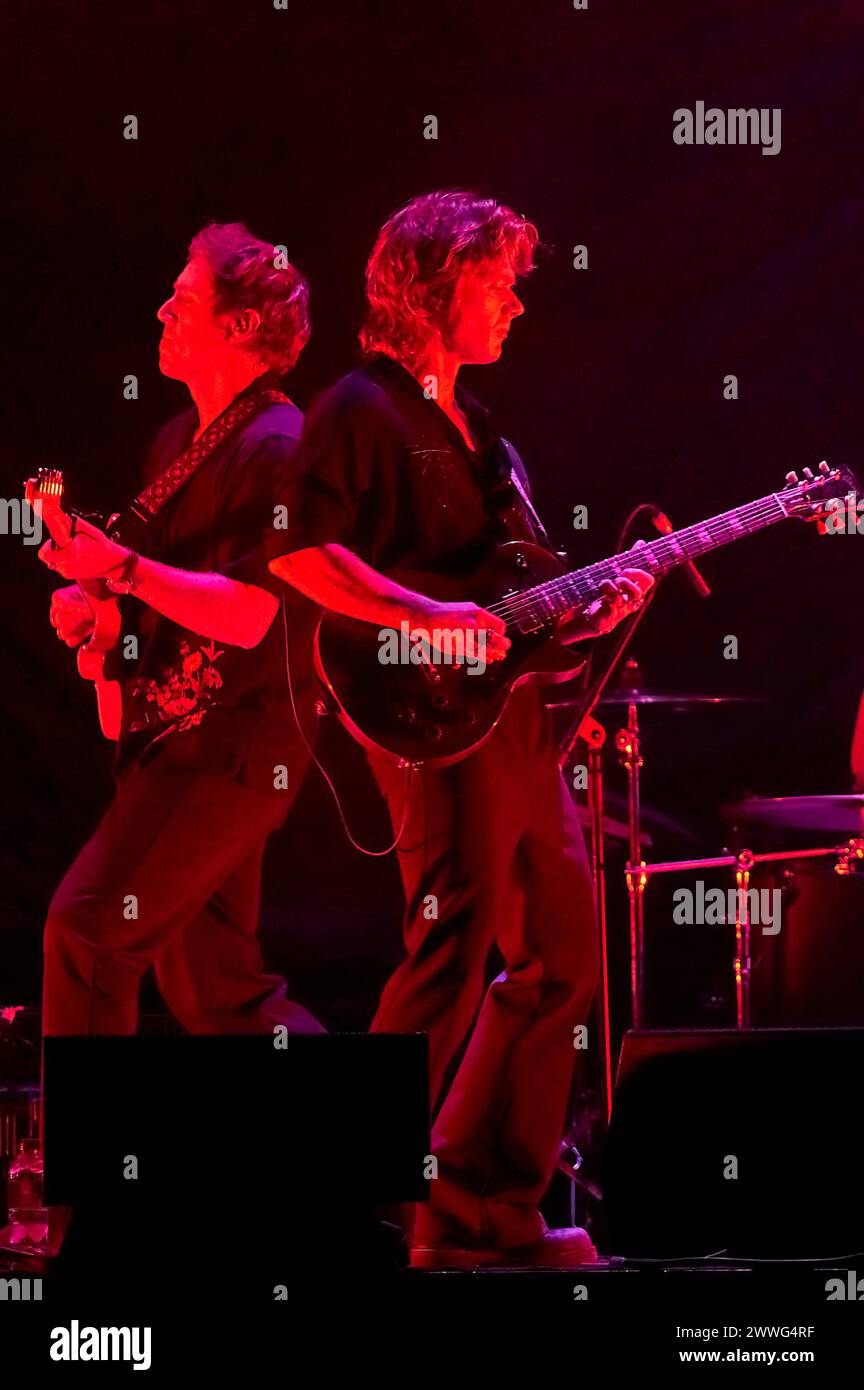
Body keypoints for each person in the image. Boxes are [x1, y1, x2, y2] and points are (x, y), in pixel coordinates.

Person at [268, 190, 652, 1266]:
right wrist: (429, 618)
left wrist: (588, 602)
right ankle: (354, 1212)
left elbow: (505, 598)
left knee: (562, 959)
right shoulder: (356, 406)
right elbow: (301, 556)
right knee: (449, 952)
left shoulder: (483, 433)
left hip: (516, 725)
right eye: (501, 281)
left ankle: (487, 1206)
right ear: (438, 283)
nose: (519, 305)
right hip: (423, 718)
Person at [39, 222, 323, 1037]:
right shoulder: (178, 443)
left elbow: (252, 613)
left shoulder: (280, 447)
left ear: (236, 327)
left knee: (88, 936)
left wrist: (126, 573)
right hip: (177, 737)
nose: (162, 309)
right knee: (218, 992)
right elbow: (160, 601)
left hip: (232, 746)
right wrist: (97, 608)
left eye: (184, 298)